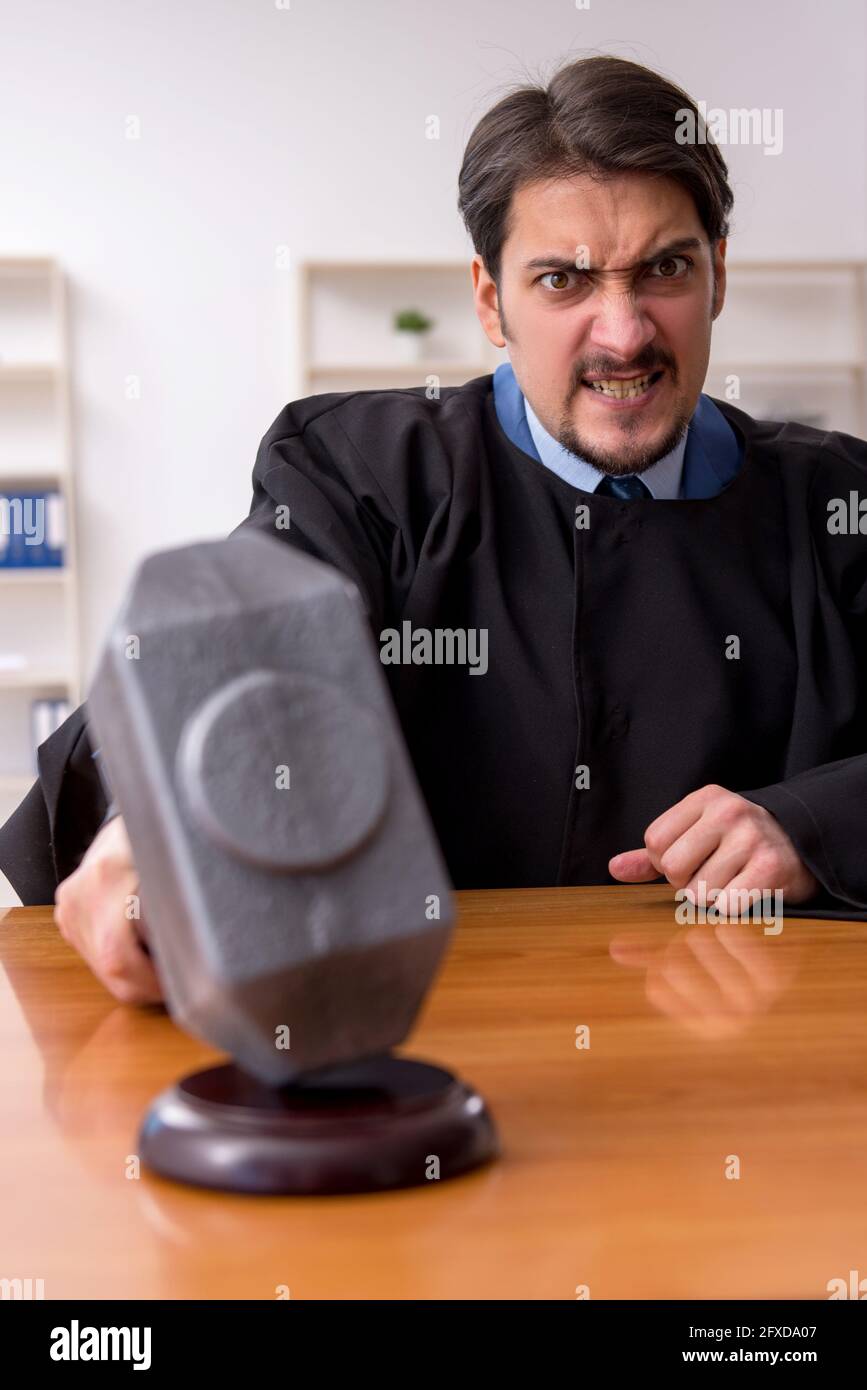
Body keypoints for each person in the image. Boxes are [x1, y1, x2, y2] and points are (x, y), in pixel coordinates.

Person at [1, 55, 865, 1007]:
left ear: (717, 278)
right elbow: (254, 640)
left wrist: (810, 825)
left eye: (663, 268)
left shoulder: (837, 500)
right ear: (491, 300)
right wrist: (161, 824)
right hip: (428, 1036)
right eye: (562, 281)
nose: (622, 334)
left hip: (755, 1075)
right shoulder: (361, 469)